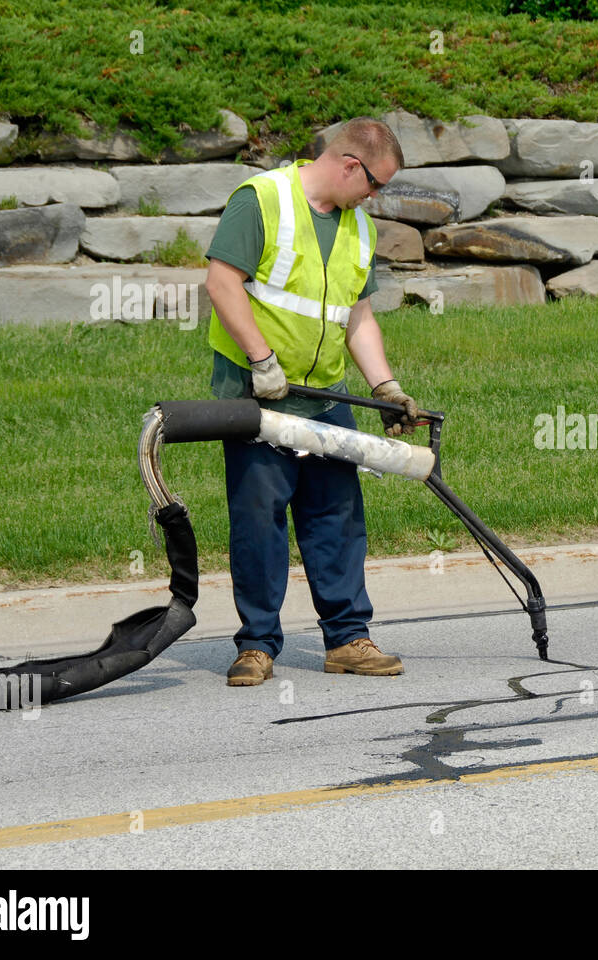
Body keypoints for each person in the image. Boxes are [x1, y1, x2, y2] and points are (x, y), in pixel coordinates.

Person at [204, 117, 421, 685]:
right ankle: (257, 645)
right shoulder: (262, 200)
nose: (377, 196)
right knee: (260, 520)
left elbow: (358, 317)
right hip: (258, 396)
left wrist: (385, 387)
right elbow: (222, 281)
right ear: (350, 165)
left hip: (324, 396)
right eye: (376, 183)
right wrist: (260, 359)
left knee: (337, 517)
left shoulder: (358, 227)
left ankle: (348, 639)